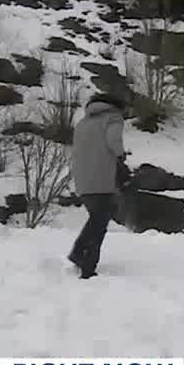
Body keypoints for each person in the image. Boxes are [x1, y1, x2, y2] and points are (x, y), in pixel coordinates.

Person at [69, 93, 129, 279]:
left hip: (82, 178)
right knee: (100, 221)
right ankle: (86, 263)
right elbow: (113, 141)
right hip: (102, 178)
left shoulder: (83, 123)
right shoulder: (113, 118)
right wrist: (120, 156)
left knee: (97, 218)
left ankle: (79, 253)